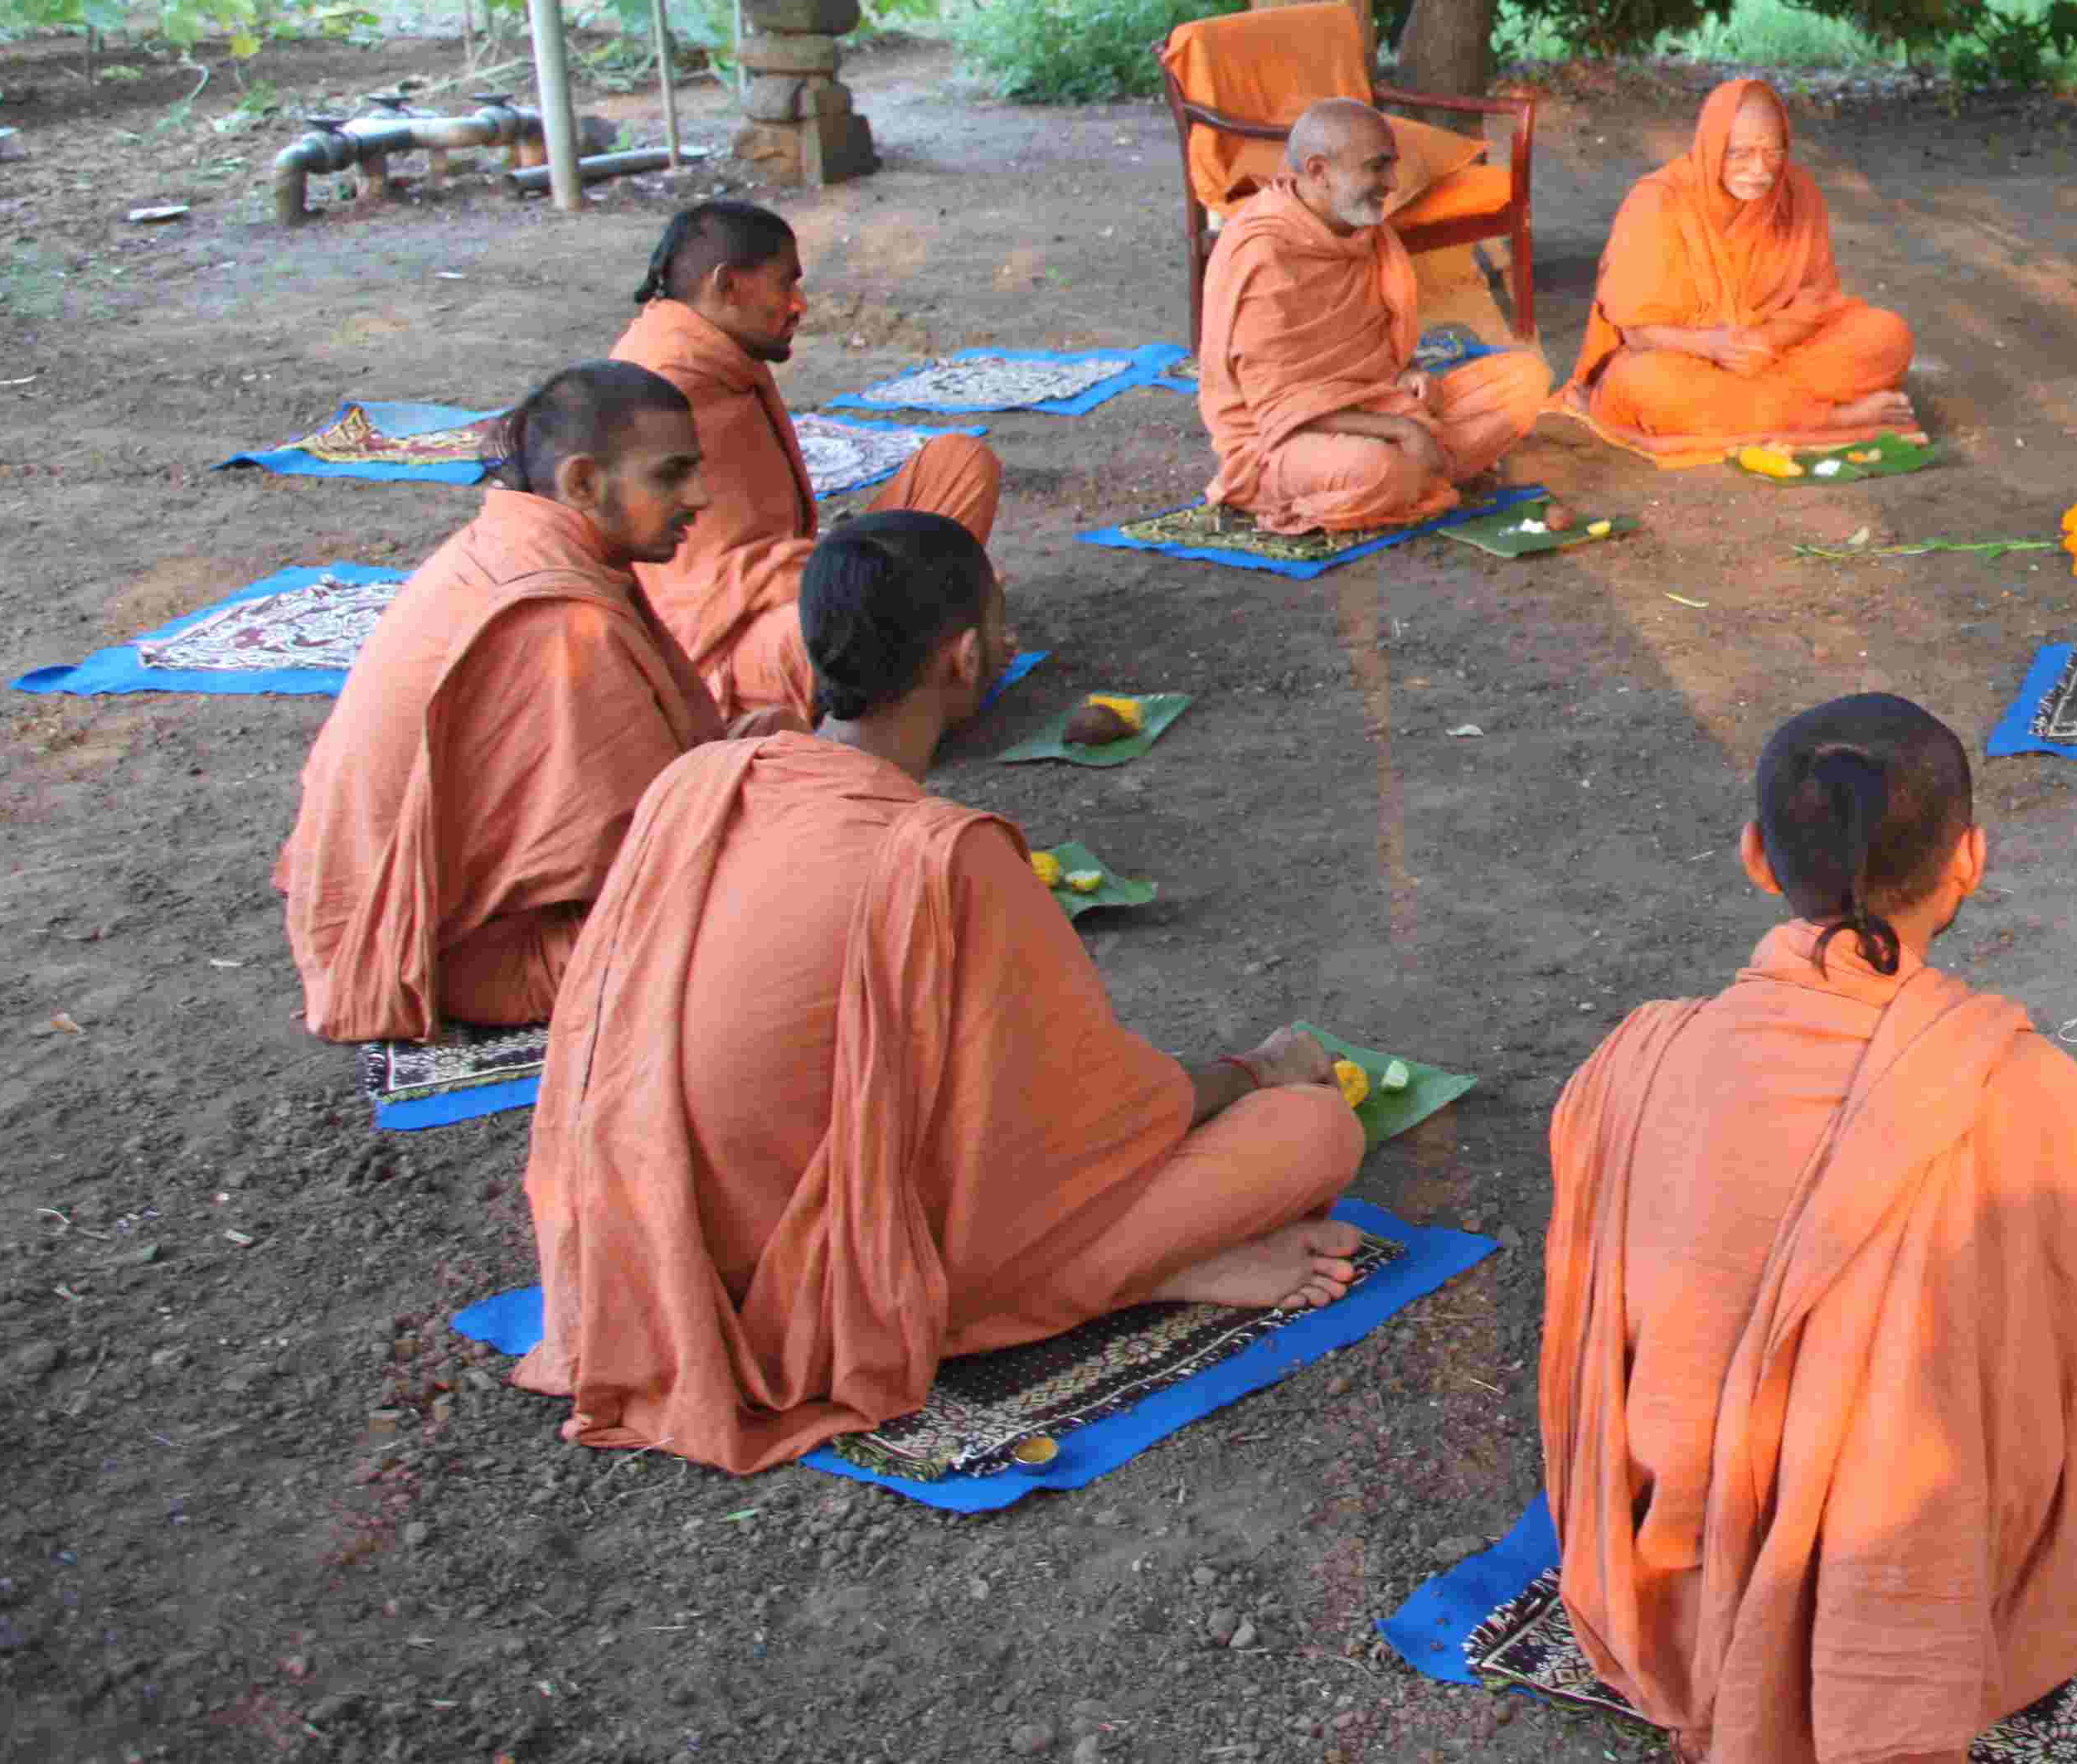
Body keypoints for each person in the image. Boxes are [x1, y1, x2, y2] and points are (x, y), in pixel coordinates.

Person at [1540, 696, 2077, 1764]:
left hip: (1669, 1599)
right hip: (1908, 1611)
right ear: (1970, 860)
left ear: (1757, 857)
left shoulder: (1630, 1062)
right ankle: (1863, 1673)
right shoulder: (2015, 1094)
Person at [516, 514, 1368, 1475]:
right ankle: (1137, 1274)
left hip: (625, 1238)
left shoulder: (701, 780)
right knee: (1310, 1130)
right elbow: (1098, 1128)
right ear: (964, 658)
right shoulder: (944, 855)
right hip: (812, 1294)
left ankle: (1149, 1263)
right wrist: (1250, 1072)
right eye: (1001, 630)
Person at [277, 363, 725, 1042]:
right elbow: (646, 859)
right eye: (671, 474)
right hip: (436, 954)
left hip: (370, 912)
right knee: (767, 905)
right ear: (582, 482)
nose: (701, 494)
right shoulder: (564, 621)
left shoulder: (509, 541)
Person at [611, 199, 1002, 713]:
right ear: (727, 286)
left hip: (799, 580)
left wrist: (898, 576)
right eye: (784, 285)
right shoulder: (664, 391)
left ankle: (916, 645)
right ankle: (912, 677)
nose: (798, 304)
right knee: (881, 632)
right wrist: (907, 584)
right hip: (728, 644)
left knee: (959, 464)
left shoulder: (722, 350)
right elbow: (713, 590)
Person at [1196, 99, 1553, 531]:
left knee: (1525, 379)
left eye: (1391, 166)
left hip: (1377, 401)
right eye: (1377, 167)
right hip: (1279, 440)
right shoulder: (1264, 253)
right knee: (1381, 469)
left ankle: (1420, 473)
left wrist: (1408, 370)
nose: (1392, 182)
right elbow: (1277, 408)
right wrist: (1401, 431)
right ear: (1317, 171)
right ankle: (1411, 475)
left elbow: (1379, 338)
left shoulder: (1364, 228)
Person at [1560, 75, 1919, 462]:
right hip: (1684, 358)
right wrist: (1712, 345)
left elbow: (1819, 297)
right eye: (1740, 153)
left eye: (1772, 152)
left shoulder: (1798, 192)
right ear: (1712, 146)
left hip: (1775, 352)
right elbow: (1635, 329)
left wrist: (1768, 340)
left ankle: (1758, 410)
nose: (1759, 170)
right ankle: (1834, 418)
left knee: (1886, 335)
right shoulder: (1658, 201)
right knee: (1643, 388)